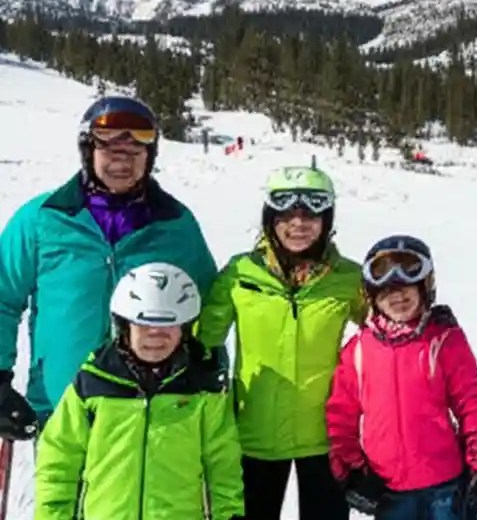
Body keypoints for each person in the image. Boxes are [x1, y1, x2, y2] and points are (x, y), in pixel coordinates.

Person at [0, 96, 218, 439]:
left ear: (150, 157)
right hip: (62, 407)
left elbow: (207, 304)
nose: (122, 163)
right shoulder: (43, 218)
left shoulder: (175, 225)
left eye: (134, 153)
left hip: (151, 412)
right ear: (88, 152)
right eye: (110, 151)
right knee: (61, 493)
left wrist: (208, 366)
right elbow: (3, 298)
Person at [197, 166, 364, 520]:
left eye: (311, 215)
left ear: (326, 219)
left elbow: (388, 332)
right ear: (270, 218)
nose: (298, 224)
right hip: (255, 434)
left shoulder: (348, 278)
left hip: (324, 436)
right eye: (287, 214)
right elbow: (202, 340)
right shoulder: (241, 274)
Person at [34, 262, 243, 519]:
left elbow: (223, 467)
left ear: (185, 329)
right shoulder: (93, 385)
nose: (156, 335)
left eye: (169, 325)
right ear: (124, 327)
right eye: (143, 325)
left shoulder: (203, 389)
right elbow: (58, 463)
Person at [326, 235, 477, 520]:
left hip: (444, 485)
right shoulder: (359, 351)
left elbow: (469, 400)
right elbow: (341, 415)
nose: (398, 298)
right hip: (389, 489)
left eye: (406, 290)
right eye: (387, 292)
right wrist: (351, 468)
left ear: (425, 289)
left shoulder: (443, 340)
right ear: (372, 298)